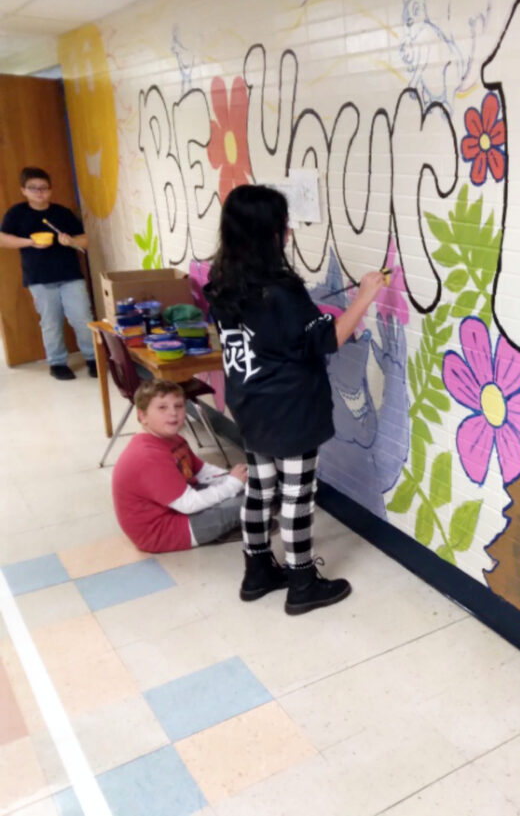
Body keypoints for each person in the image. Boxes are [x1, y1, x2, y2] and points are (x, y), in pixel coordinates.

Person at [204, 184, 385, 615]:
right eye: (282, 225)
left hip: (249, 403)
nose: (287, 232)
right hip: (290, 410)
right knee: (297, 495)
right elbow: (327, 341)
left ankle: (257, 573)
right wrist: (365, 296)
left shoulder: (223, 283)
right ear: (268, 233)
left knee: (261, 487)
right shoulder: (281, 291)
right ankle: (302, 583)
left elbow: (275, 335)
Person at [112, 379, 247, 554]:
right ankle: (230, 526)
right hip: (164, 532)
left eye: (179, 406)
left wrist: (234, 478)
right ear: (142, 416)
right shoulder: (148, 456)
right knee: (255, 500)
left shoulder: (171, 438)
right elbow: (188, 504)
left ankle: (237, 520)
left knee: (250, 491)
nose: (173, 413)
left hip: (174, 508)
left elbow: (202, 471)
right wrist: (233, 484)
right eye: (162, 408)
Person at [0, 167, 98, 380]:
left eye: (43, 188)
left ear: (50, 190)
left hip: (71, 276)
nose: (39, 192)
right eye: (33, 188)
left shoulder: (62, 213)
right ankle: (57, 363)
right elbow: (2, 239)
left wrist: (70, 241)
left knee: (83, 318)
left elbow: (84, 241)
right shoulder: (16, 213)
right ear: (23, 190)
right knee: (51, 322)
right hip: (39, 278)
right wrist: (29, 242)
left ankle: (93, 359)